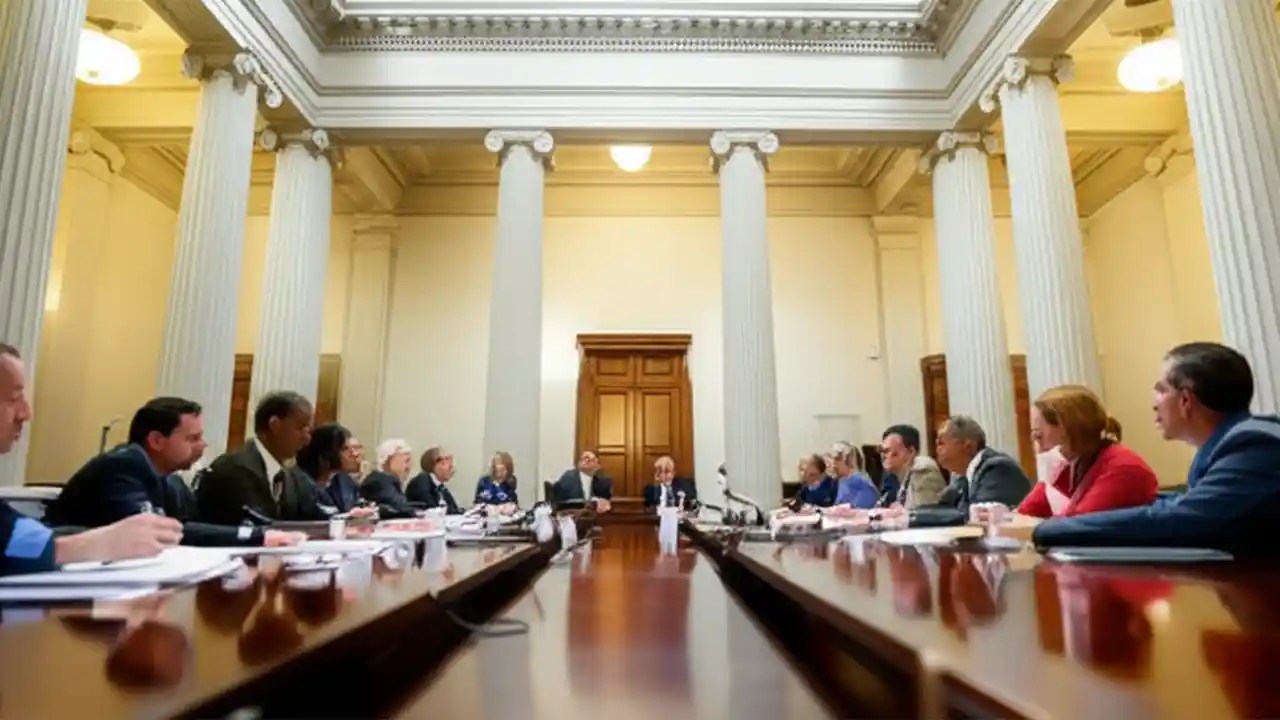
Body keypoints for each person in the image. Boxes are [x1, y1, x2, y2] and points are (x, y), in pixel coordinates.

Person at [1034, 343, 1280, 556]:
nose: (1154, 404)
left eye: (1161, 390)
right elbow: (1187, 504)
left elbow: (1186, 518)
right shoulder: (1234, 445)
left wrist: (1041, 530)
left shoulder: (1254, 445)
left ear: (1185, 401)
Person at [0, 343, 182, 574]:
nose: (26, 413)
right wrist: (102, 543)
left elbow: (15, 534)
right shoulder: (124, 464)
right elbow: (15, 545)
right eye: (15, 397)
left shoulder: (172, 479)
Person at [46, 397, 304, 547]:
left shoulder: (171, 480)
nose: (203, 445)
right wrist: (256, 537)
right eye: (193, 438)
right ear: (157, 440)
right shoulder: (122, 467)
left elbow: (190, 526)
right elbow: (158, 533)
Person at [1017, 385, 1157, 518]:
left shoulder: (1123, 467)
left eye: (1038, 436)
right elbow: (1020, 517)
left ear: (1069, 428)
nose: (1038, 449)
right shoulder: (1072, 466)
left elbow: (1079, 528)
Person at [195, 391, 327, 525]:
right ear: (275, 424)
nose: (307, 439)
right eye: (301, 428)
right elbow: (256, 523)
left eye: (309, 430)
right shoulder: (235, 469)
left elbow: (313, 513)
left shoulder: (294, 476)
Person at [933, 415, 1032, 510]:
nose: (937, 449)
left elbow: (979, 518)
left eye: (941, 443)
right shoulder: (961, 478)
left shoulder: (998, 469)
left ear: (968, 446)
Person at [296, 423, 364, 513]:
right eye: (344, 449)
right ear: (325, 455)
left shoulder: (345, 481)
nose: (355, 454)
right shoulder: (300, 486)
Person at [879, 425, 947, 508]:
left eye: (887, 451)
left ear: (911, 451)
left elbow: (921, 516)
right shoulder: (904, 476)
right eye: (882, 451)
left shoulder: (923, 471)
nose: (883, 455)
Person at [359, 438, 418, 518]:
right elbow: (400, 507)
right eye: (406, 461)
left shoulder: (387, 479)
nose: (410, 466)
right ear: (389, 459)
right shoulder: (379, 480)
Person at [406, 446, 463, 514]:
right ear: (434, 463)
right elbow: (431, 509)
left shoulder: (441, 487)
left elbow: (454, 510)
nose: (452, 467)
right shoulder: (422, 481)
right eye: (447, 460)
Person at [831, 441, 878, 509]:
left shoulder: (863, 485)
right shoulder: (843, 481)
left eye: (837, 459)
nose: (833, 463)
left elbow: (858, 513)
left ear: (850, 460)